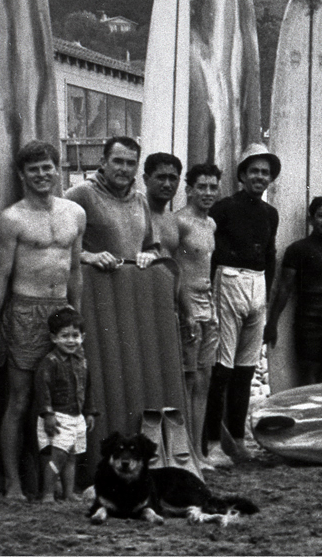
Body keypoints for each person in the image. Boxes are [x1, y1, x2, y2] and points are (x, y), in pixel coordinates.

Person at [0, 140, 85, 500]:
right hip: (24, 311)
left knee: (65, 400)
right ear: (21, 175)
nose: (41, 174)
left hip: (61, 310)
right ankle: (14, 484)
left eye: (47, 167)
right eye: (33, 169)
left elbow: (75, 271)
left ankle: (59, 485)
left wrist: (77, 319)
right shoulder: (11, 219)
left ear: (57, 167)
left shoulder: (74, 213)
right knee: (20, 400)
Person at [205, 144, 279, 463]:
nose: (259, 177)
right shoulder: (223, 208)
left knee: (246, 370)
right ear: (242, 175)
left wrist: (268, 299)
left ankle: (237, 439)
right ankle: (211, 441)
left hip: (257, 284)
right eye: (254, 171)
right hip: (228, 280)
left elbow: (271, 256)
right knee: (222, 368)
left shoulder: (269, 213)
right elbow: (208, 252)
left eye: (265, 172)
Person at [168, 163, 221, 468]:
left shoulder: (210, 224)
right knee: (187, 380)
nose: (208, 192)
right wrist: (185, 311)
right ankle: (184, 450)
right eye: (202, 186)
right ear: (189, 189)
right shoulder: (180, 223)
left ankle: (198, 451)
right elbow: (175, 270)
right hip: (187, 308)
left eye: (213, 187)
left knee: (204, 379)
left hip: (208, 305)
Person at [267, 197, 322, 385]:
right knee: (308, 381)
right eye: (321, 216)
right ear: (311, 220)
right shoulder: (297, 249)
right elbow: (285, 288)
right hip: (309, 324)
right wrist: (272, 322)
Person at [64, 136, 158, 271]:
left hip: (131, 284)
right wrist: (86, 256)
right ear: (103, 162)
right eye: (118, 162)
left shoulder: (140, 200)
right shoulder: (80, 194)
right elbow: (56, 246)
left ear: (137, 167)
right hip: (93, 286)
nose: (124, 169)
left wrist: (149, 256)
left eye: (131, 163)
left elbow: (151, 247)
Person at [34, 307, 96, 503]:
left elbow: (88, 388)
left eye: (75, 336)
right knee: (58, 456)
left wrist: (89, 412)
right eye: (65, 336)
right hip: (58, 416)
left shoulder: (82, 362)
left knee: (72, 456)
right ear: (54, 338)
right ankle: (48, 493)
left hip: (76, 416)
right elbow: (42, 390)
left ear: (83, 337)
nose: (71, 340)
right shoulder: (50, 362)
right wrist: (48, 414)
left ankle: (68, 492)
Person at [143, 152, 182, 256]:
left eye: (172, 178)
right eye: (161, 177)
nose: (167, 185)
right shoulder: (135, 214)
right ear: (146, 179)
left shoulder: (173, 219)